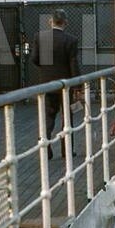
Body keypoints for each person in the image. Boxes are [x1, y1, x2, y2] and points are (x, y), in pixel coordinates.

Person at [30, 9, 81, 152]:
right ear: (66, 22)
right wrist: (78, 86)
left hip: (46, 83)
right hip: (66, 84)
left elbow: (34, 59)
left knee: (48, 116)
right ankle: (67, 150)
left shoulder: (40, 37)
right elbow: (73, 64)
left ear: (50, 21)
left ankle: (45, 148)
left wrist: (46, 68)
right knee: (67, 117)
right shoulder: (71, 40)